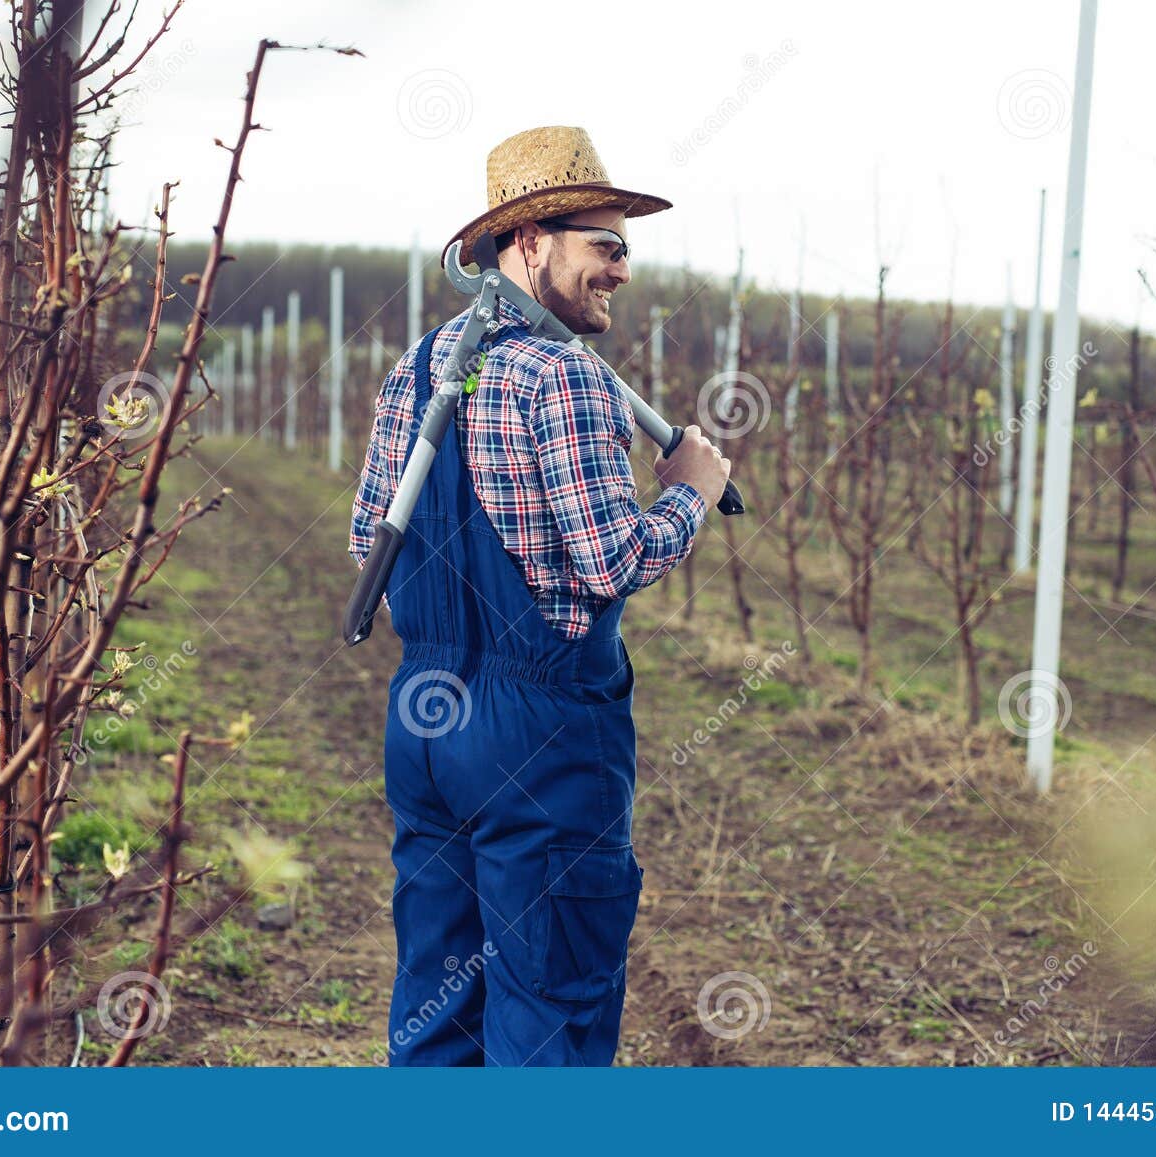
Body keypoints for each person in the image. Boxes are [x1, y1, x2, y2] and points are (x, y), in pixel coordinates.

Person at [349, 125, 730, 1065]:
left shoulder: (419, 368)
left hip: (428, 723)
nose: (622, 269)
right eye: (606, 245)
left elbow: (370, 543)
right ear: (530, 243)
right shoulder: (563, 374)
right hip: (546, 734)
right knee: (551, 1016)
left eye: (625, 248)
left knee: (437, 1009)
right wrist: (693, 491)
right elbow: (611, 561)